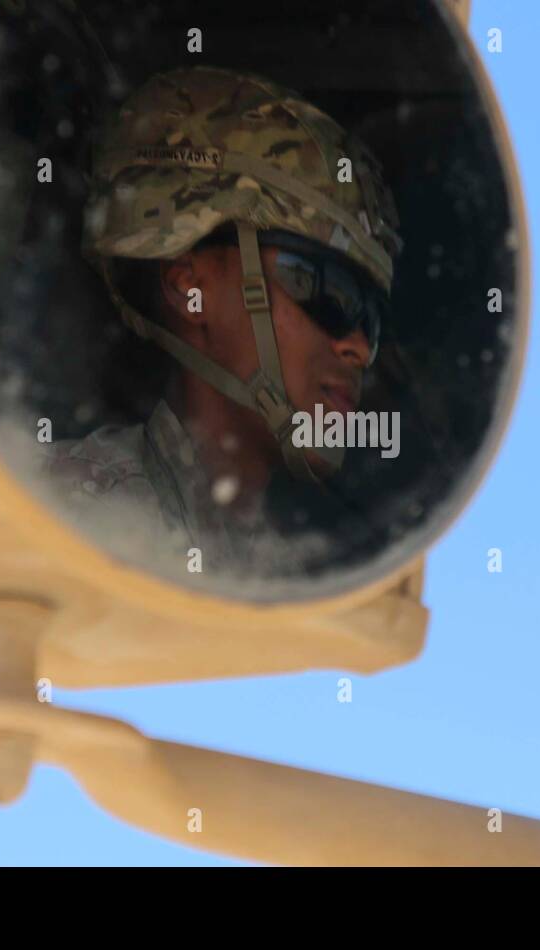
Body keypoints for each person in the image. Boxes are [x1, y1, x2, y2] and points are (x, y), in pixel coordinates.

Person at [42, 65, 403, 574]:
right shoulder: (75, 517)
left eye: (371, 317)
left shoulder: (296, 570)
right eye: (323, 289)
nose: (359, 346)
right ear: (191, 289)